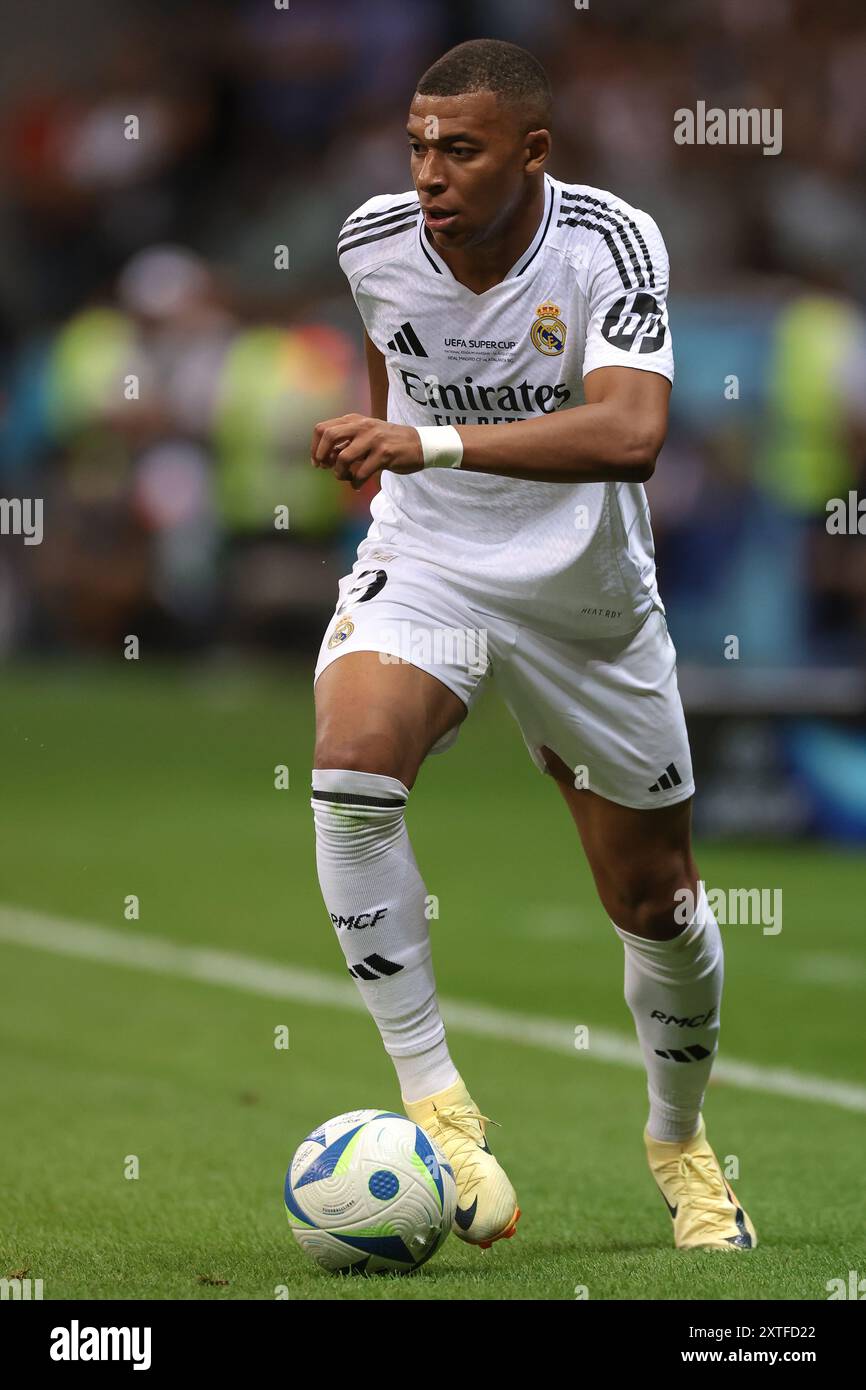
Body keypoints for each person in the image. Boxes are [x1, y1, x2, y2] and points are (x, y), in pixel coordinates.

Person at [309, 38, 756, 1254]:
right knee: (350, 769)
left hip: (583, 600)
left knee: (655, 900)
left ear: (532, 152)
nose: (428, 172)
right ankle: (437, 1108)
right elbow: (394, 375)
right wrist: (392, 458)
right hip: (430, 560)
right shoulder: (370, 242)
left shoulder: (608, 242)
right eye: (416, 146)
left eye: (459, 149)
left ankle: (679, 1141)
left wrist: (427, 443)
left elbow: (629, 434)